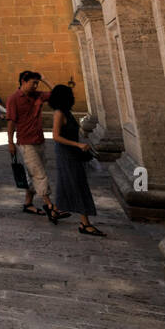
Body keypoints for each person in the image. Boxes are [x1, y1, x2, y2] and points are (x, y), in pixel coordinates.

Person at [7, 71, 68, 223]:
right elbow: (11, 122)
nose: (35, 86)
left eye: (37, 83)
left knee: (33, 174)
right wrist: (10, 142)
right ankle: (50, 206)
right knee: (39, 174)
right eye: (33, 83)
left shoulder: (38, 95)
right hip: (25, 142)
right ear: (23, 81)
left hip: (39, 140)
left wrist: (45, 78)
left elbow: (58, 95)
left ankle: (28, 203)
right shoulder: (13, 99)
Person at [47, 85, 102, 236]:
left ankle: (56, 210)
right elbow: (56, 136)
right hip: (66, 153)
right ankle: (85, 223)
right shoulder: (59, 113)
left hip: (73, 152)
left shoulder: (66, 112)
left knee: (66, 183)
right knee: (77, 184)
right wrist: (78, 144)